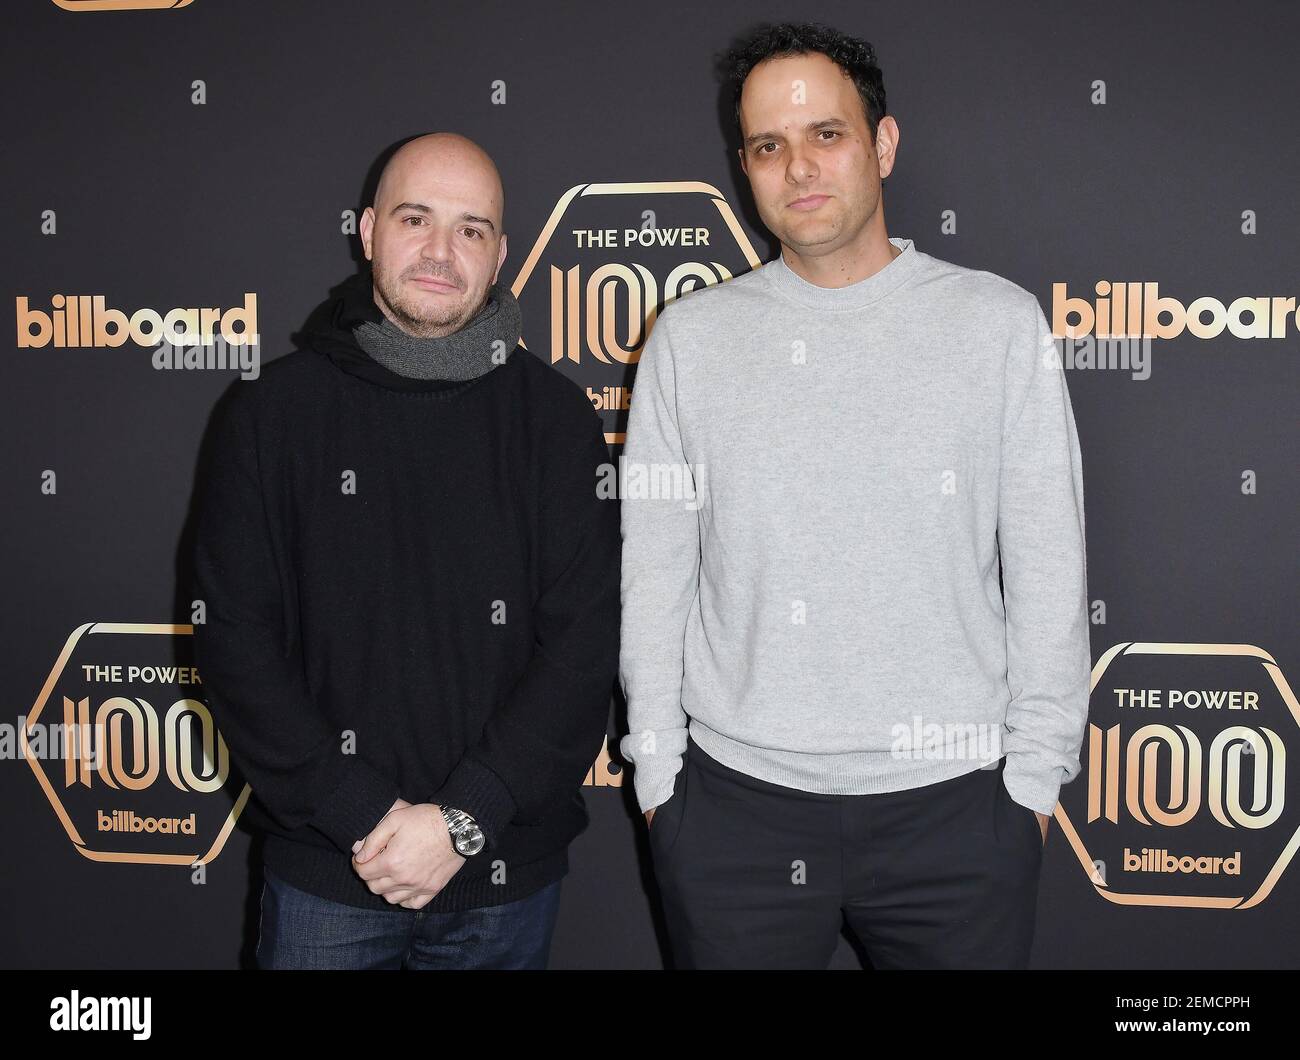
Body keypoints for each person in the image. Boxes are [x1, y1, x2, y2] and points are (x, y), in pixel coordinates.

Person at [619, 23, 1091, 969]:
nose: (797, 166)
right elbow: (656, 571)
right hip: (733, 814)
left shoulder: (997, 324)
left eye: (826, 134)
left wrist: (1033, 786)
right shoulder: (691, 339)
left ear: (881, 144)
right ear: (744, 167)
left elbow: (1048, 563)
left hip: (957, 816)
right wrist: (661, 778)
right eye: (767, 145)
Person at [191, 132, 620, 970]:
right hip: (326, 873)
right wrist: (358, 814)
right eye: (415, 218)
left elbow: (584, 648)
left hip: (505, 878)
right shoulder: (270, 414)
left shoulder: (558, 423)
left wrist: (465, 819)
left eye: (470, 229)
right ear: (367, 230)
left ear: (500, 255)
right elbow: (234, 639)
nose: (439, 251)